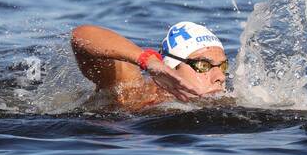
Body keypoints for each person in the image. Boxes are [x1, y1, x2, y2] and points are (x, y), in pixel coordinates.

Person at [70, 20, 228, 110]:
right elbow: (82, 35)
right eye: (203, 65)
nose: (220, 77)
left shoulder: (229, 100)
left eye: (223, 66)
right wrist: (148, 60)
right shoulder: (131, 91)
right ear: (171, 67)